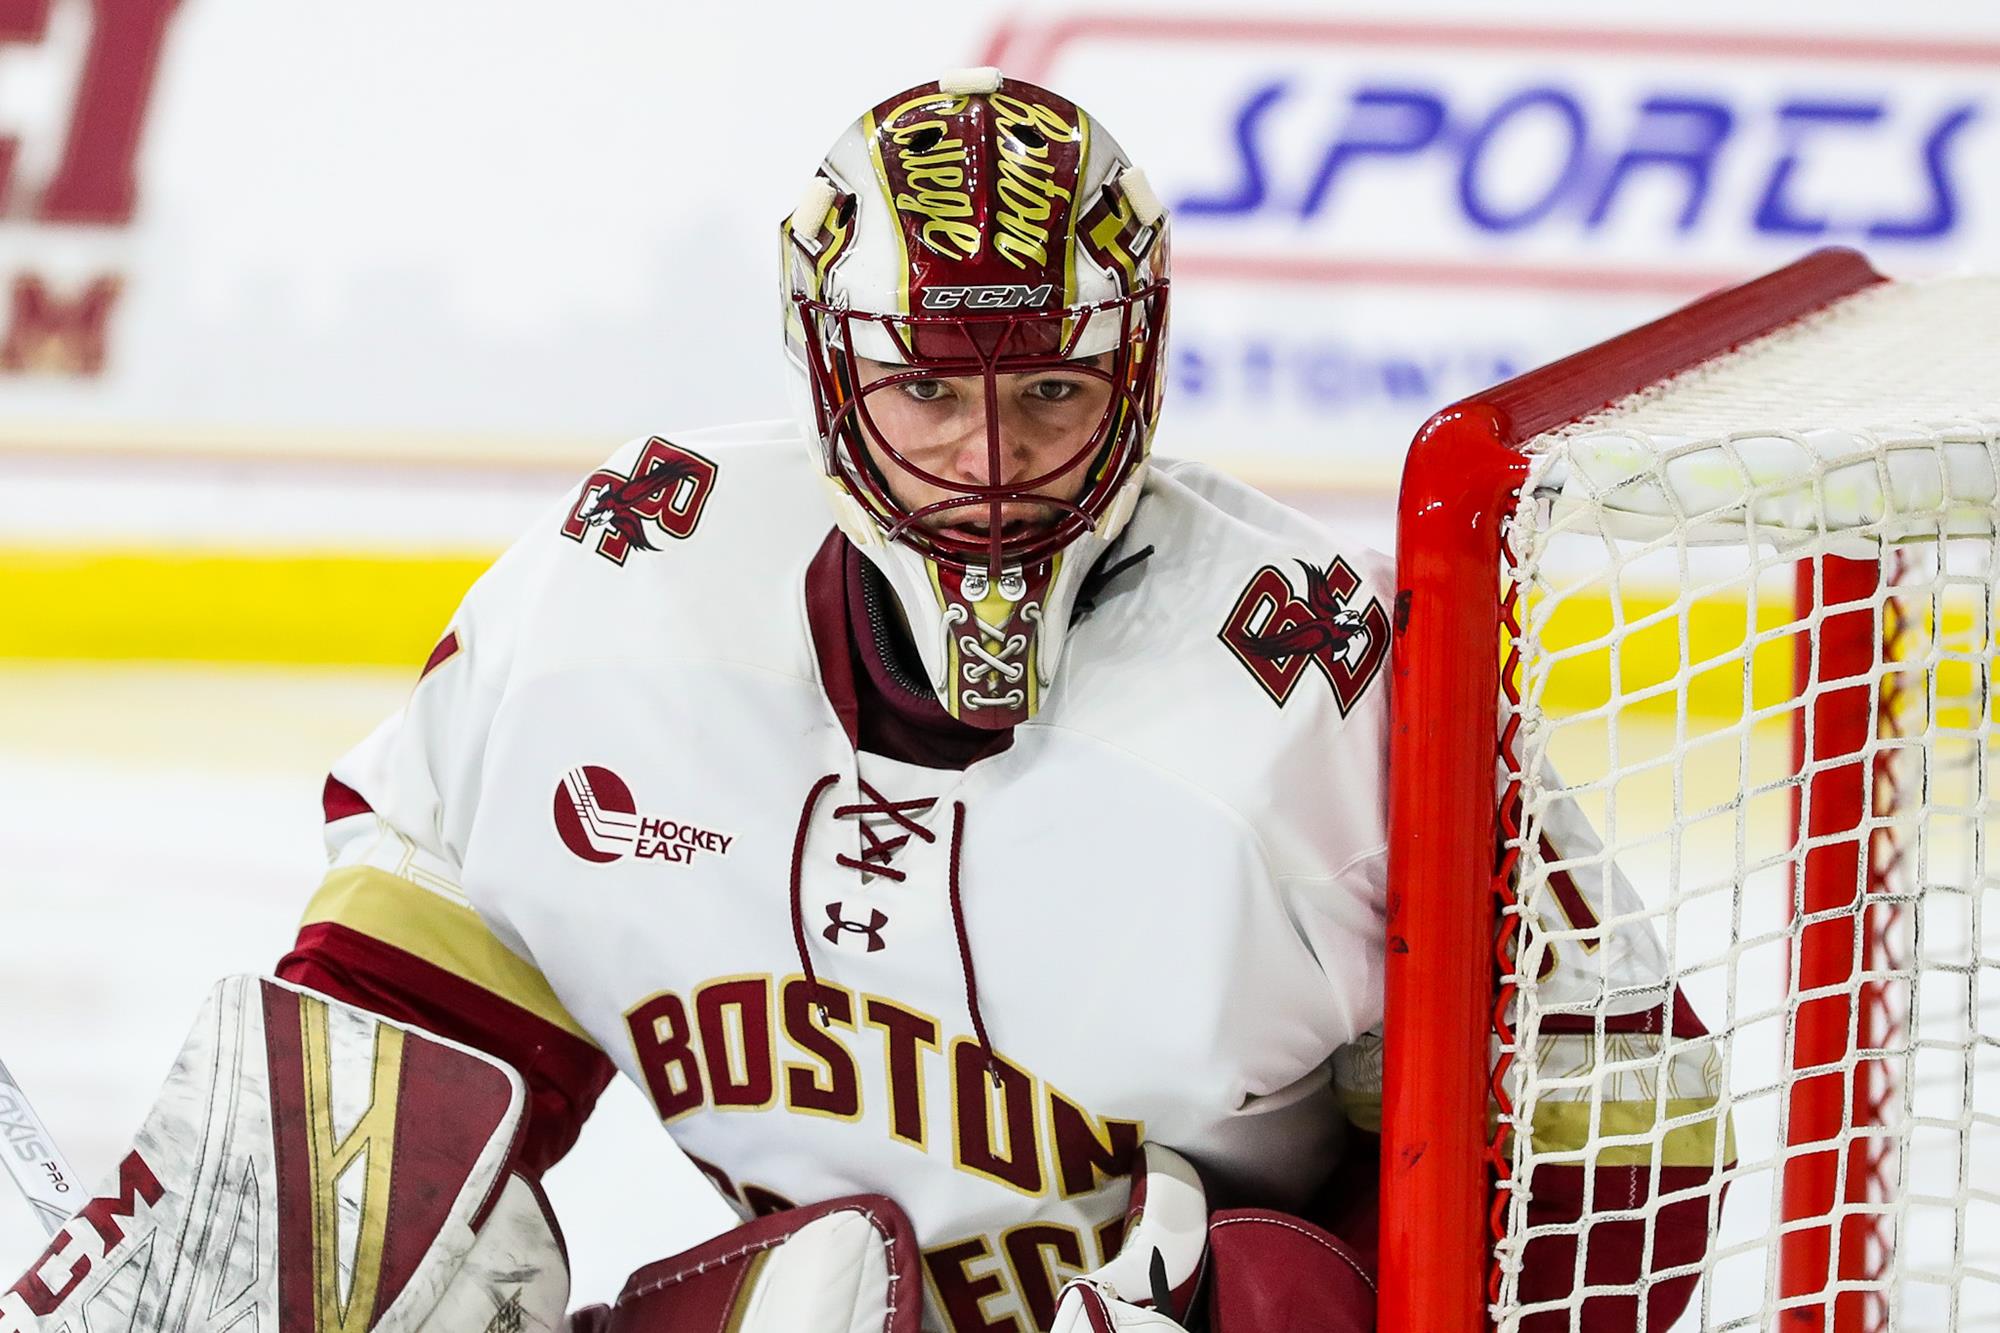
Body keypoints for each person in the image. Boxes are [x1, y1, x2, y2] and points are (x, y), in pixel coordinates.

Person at [3, 71, 1724, 1333]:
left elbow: (1626, 1145)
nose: (991, 470)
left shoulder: (1318, 695)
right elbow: (387, 1053)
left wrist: (1313, 1301)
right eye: (927, 393)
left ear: (1138, 371)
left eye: (1052, 393)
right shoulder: (613, 605)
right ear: (828, 374)